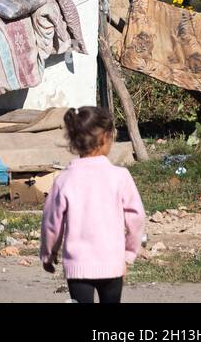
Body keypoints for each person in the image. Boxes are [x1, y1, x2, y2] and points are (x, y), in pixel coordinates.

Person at [40, 105, 145, 304]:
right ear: (105, 138)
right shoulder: (120, 177)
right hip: (112, 264)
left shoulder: (64, 179)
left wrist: (48, 253)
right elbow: (136, 217)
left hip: (77, 267)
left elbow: (51, 222)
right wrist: (128, 253)